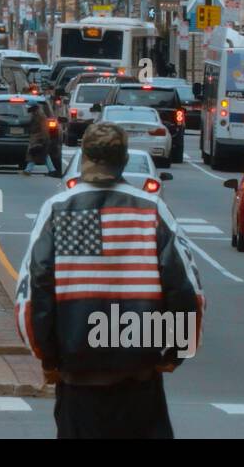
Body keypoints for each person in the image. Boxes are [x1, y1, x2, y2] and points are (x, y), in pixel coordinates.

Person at [16, 121, 205, 439]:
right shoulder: (152, 211)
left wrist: (48, 358)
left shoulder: (59, 210)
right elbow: (183, 290)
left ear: (84, 156)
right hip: (139, 379)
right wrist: (174, 352)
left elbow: (36, 292)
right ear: (124, 160)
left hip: (78, 380)